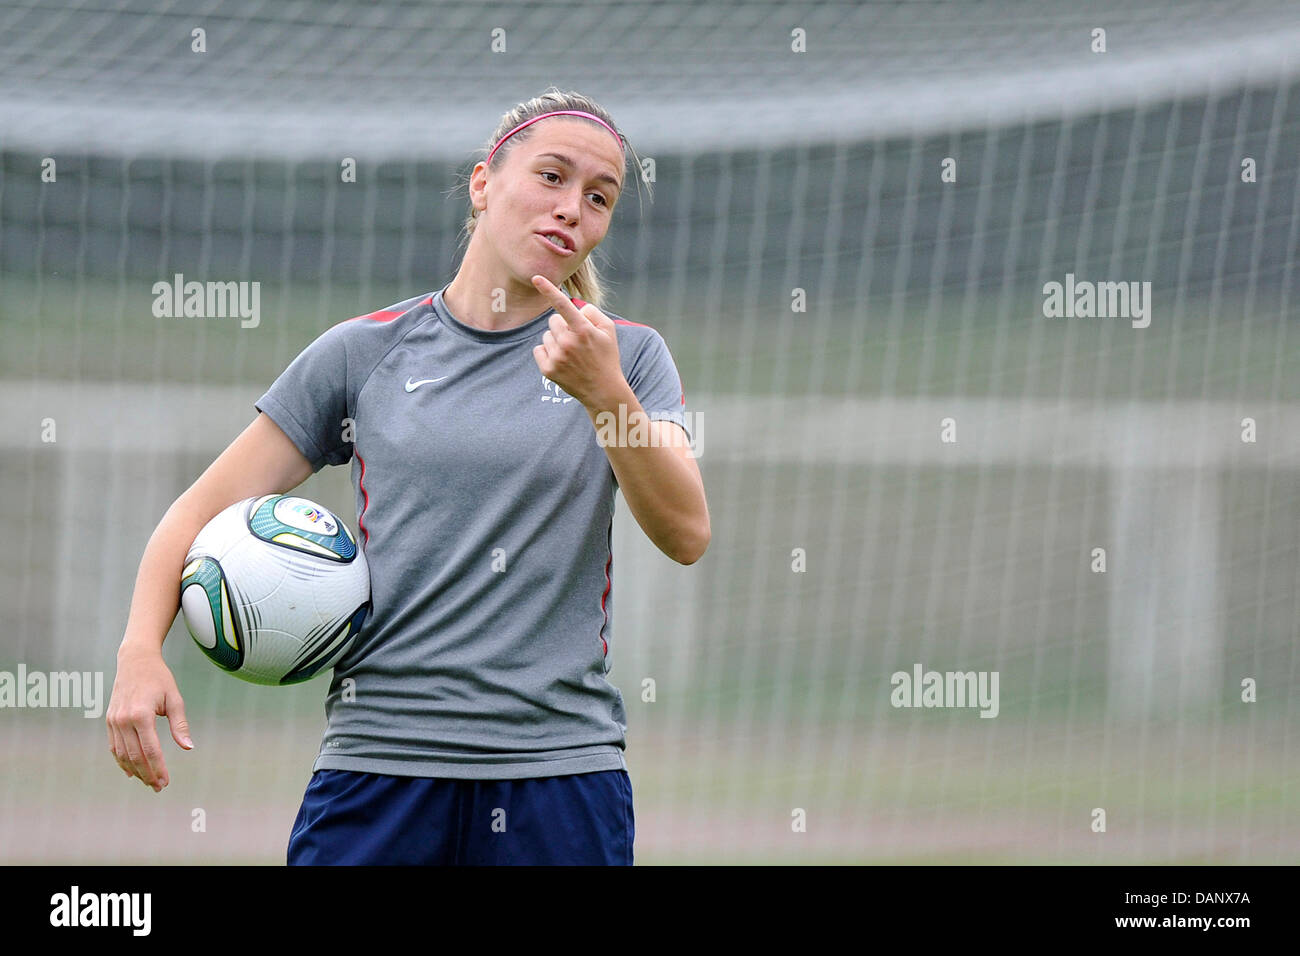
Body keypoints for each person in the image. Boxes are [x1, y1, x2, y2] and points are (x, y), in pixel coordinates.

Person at [105, 88, 710, 866]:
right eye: (552, 177)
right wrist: (138, 654)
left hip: (559, 778)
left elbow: (687, 533)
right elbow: (199, 510)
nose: (572, 210)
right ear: (483, 183)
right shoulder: (365, 352)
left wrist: (605, 396)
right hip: (377, 771)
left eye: (599, 197)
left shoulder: (626, 357)